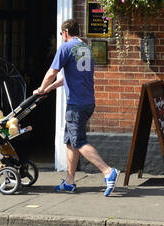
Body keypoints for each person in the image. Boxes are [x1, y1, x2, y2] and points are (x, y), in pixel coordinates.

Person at [34, 18, 119, 195]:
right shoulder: (86, 48)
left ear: (65, 32)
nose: (61, 37)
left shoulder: (66, 47)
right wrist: (49, 89)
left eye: (61, 34)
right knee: (70, 142)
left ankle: (108, 171)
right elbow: (68, 77)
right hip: (88, 102)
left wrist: (41, 88)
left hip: (76, 105)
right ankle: (69, 182)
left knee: (78, 141)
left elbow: (52, 72)